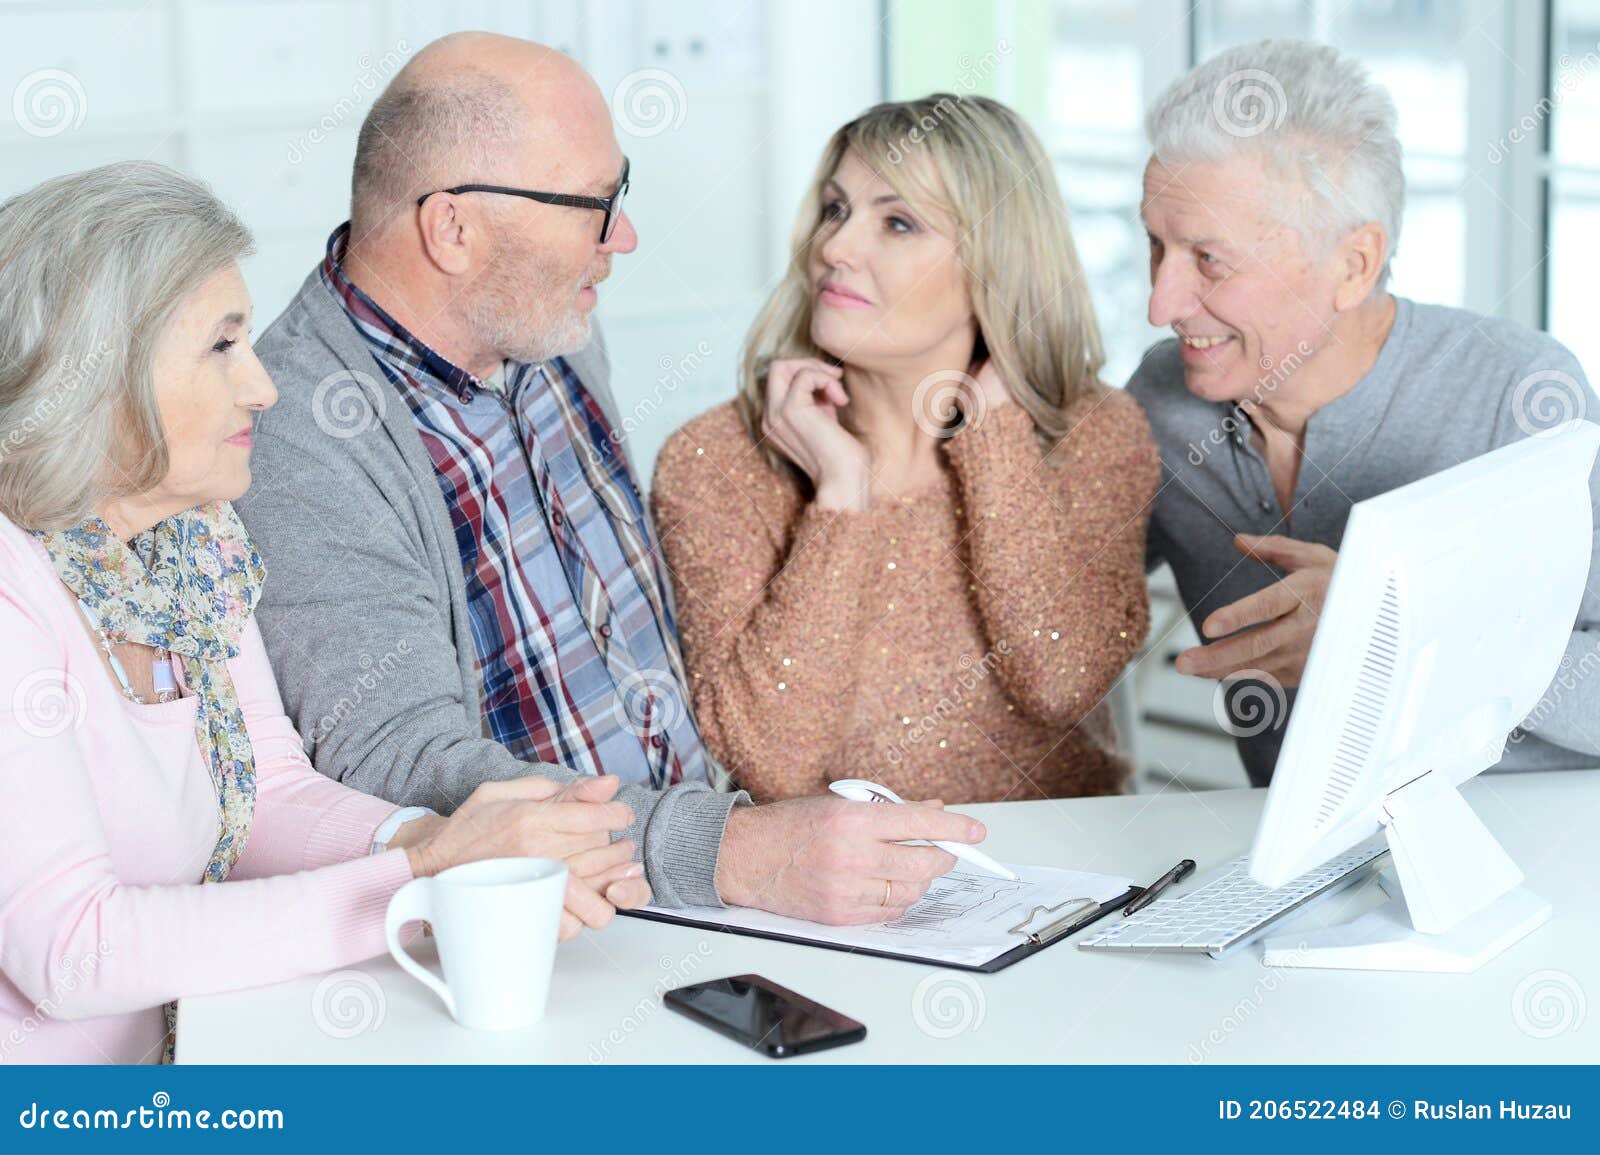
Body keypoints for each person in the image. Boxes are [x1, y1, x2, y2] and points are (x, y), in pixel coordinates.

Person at [235, 32, 986, 927]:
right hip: (553, 929)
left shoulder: (549, 324)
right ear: (453, 229)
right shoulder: (297, 430)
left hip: (699, 897)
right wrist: (731, 848)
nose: (622, 236)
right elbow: (400, 763)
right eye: (595, 205)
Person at [0, 163, 651, 1065]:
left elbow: (271, 791)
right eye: (222, 346)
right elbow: (74, 950)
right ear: (100, 378)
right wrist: (420, 877)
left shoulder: (193, 543)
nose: (262, 386)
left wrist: (440, 839)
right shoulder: (11, 586)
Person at [651, 95, 1157, 803]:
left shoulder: (1096, 433)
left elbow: (1059, 678)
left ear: (995, 265)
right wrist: (841, 492)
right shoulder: (715, 461)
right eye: (835, 210)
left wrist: (994, 440)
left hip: (1066, 884)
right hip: (831, 901)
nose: (835, 248)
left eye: (897, 222)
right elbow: (772, 760)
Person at [1127, 39, 1600, 785]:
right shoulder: (1165, 400)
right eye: (1155, 245)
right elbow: (1066, 608)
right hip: (1307, 875)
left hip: (1542, 865)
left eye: (1208, 259)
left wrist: (1391, 635)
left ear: (1354, 264)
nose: (1161, 304)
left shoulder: (1522, 394)